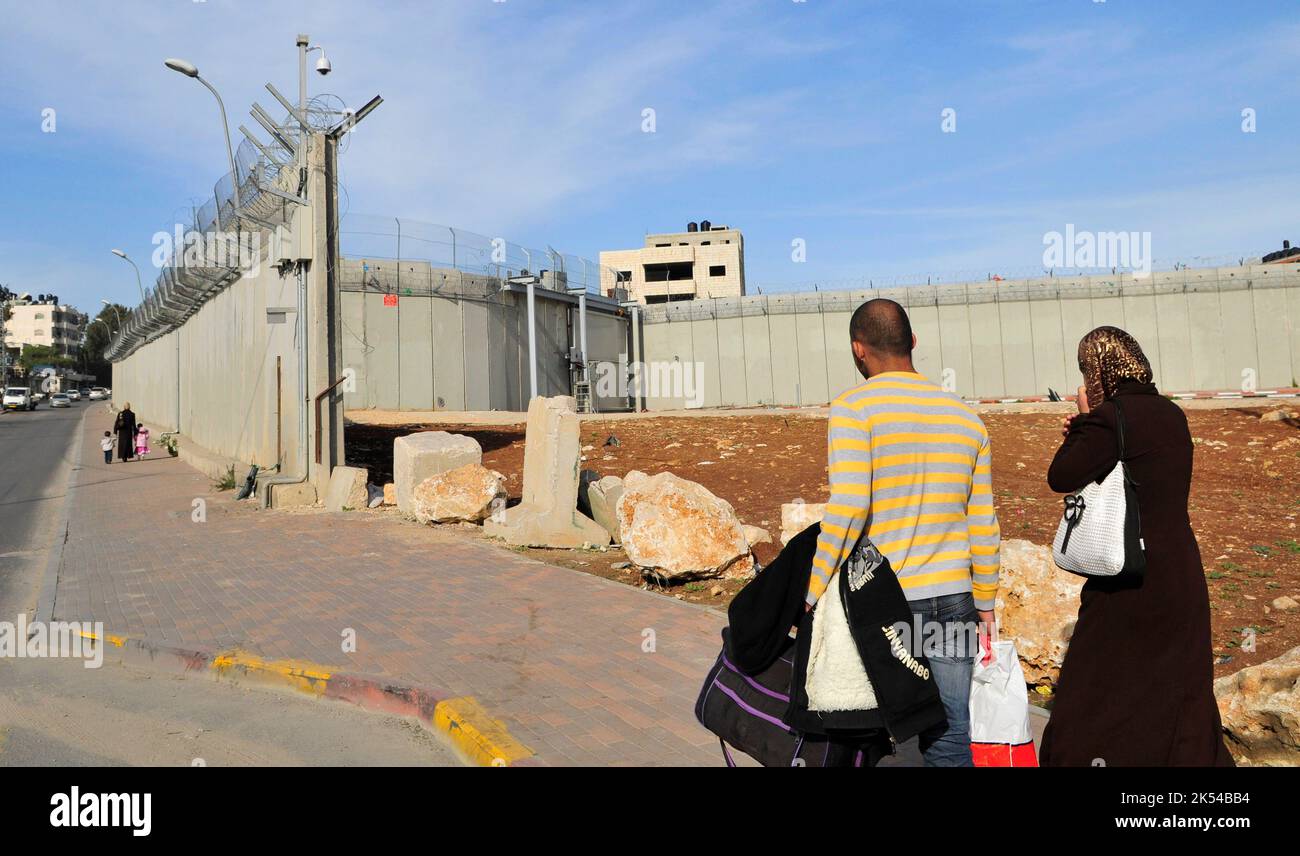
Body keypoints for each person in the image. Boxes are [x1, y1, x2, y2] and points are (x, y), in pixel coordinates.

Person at [808, 298, 1001, 766]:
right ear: (913, 342)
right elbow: (983, 519)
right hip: (954, 598)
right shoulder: (966, 419)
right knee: (951, 731)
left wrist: (812, 590)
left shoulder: (854, 409)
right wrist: (987, 601)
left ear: (859, 350)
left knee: (867, 728)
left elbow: (850, 506)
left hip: (883, 601)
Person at [1040, 326, 1232, 766]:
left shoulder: (1111, 418)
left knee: (1094, 685)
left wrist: (1086, 421)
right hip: (1179, 572)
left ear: (1097, 370)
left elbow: (1061, 476)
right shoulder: (1171, 413)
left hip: (1129, 576)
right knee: (1174, 686)